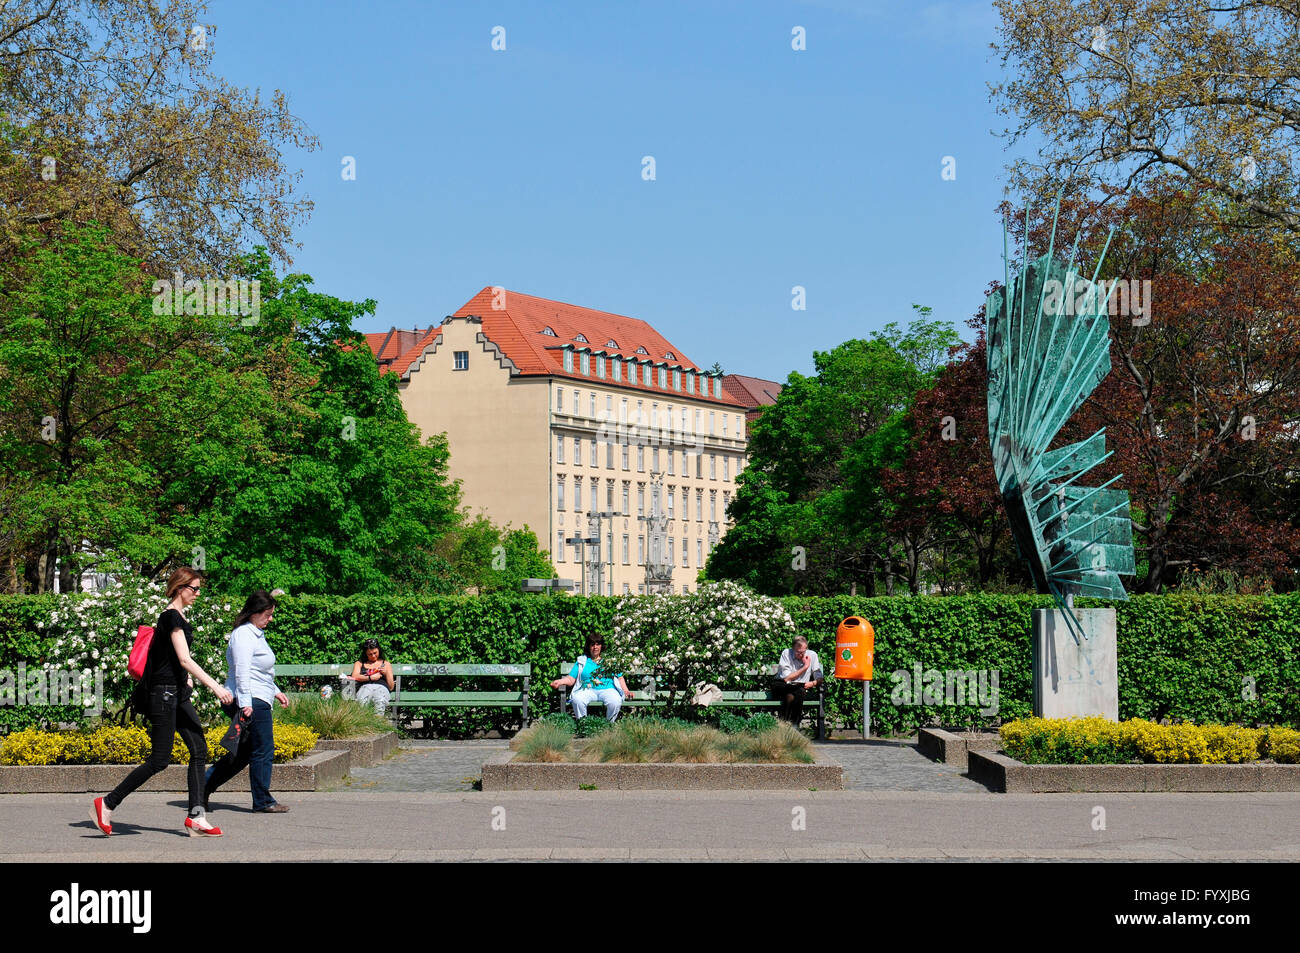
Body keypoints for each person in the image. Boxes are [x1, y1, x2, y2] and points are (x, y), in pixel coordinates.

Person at [90, 566, 233, 837]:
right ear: (180, 587)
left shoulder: (178, 617)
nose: (198, 593)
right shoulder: (170, 617)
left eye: (199, 589)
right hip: (164, 695)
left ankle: (196, 817)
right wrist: (215, 687)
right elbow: (184, 658)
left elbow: (169, 659)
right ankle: (107, 803)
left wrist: (186, 679)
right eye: (194, 589)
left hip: (176, 692)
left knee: (198, 749)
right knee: (160, 760)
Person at [202, 590, 290, 814]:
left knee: (243, 754)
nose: (271, 619)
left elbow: (260, 672)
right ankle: (263, 801)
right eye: (268, 614)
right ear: (254, 612)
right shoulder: (243, 635)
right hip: (249, 700)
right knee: (263, 750)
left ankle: (201, 786)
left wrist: (276, 691)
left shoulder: (255, 633)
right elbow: (241, 671)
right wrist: (246, 703)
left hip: (257, 696)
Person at [549, 635, 631, 722]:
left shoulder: (609, 661)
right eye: (592, 645)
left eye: (598, 644)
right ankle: (583, 725)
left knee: (615, 701)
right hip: (587, 689)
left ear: (601, 646)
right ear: (588, 646)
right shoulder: (582, 661)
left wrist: (626, 690)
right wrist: (559, 682)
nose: (595, 647)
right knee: (577, 699)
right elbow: (570, 679)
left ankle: (609, 725)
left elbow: (620, 677)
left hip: (608, 689)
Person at [770, 635, 821, 726]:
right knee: (798, 690)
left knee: (793, 694)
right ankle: (794, 724)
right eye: (798, 652)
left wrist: (813, 683)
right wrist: (805, 667)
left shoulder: (812, 655)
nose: (801, 655)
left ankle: (785, 723)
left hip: (798, 687)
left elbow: (819, 676)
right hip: (782, 685)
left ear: (807, 648)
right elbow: (787, 678)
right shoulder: (786, 653)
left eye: (803, 652)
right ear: (793, 648)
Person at [340, 638, 395, 716]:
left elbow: (391, 687)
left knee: (379, 699)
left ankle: (377, 724)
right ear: (365, 654)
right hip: (365, 687)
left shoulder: (386, 664)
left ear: (379, 650)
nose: (373, 656)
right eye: (370, 654)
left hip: (381, 687)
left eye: (375, 653)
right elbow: (354, 676)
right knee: (362, 699)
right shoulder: (359, 663)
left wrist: (386, 674)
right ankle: (364, 724)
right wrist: (370, 678)